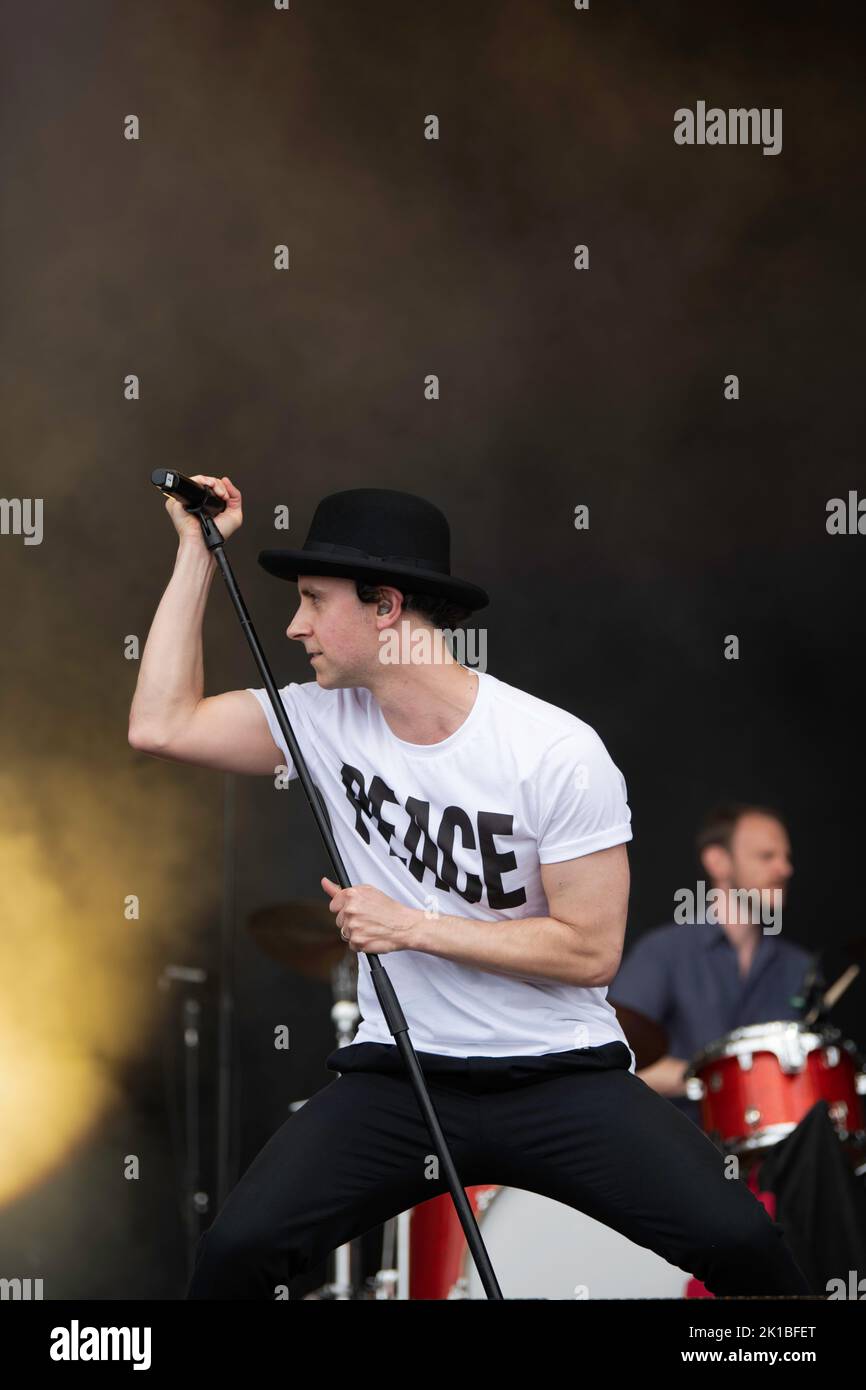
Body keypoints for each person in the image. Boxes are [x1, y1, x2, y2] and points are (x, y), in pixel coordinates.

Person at [128, 476, 811, 1299]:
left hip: (558, 1076)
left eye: (313, 599)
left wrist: (415, 927)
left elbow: (590, 951)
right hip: (401, 1081)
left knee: (744, 1243)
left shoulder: (553, 751)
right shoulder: (315, 717)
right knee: (235, 1254)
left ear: (385, 606)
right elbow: (160, 724)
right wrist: (197, 552)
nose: (294, 624)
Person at [610, 804, 814, 1125]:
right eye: (766, 856)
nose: (784, 869)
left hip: (776, 1161)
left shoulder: (800, 967)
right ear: (718, 862)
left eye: (786, 858)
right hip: (683, 1150)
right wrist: (720, 1078)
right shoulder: (663, 952)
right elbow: (615, 1059)